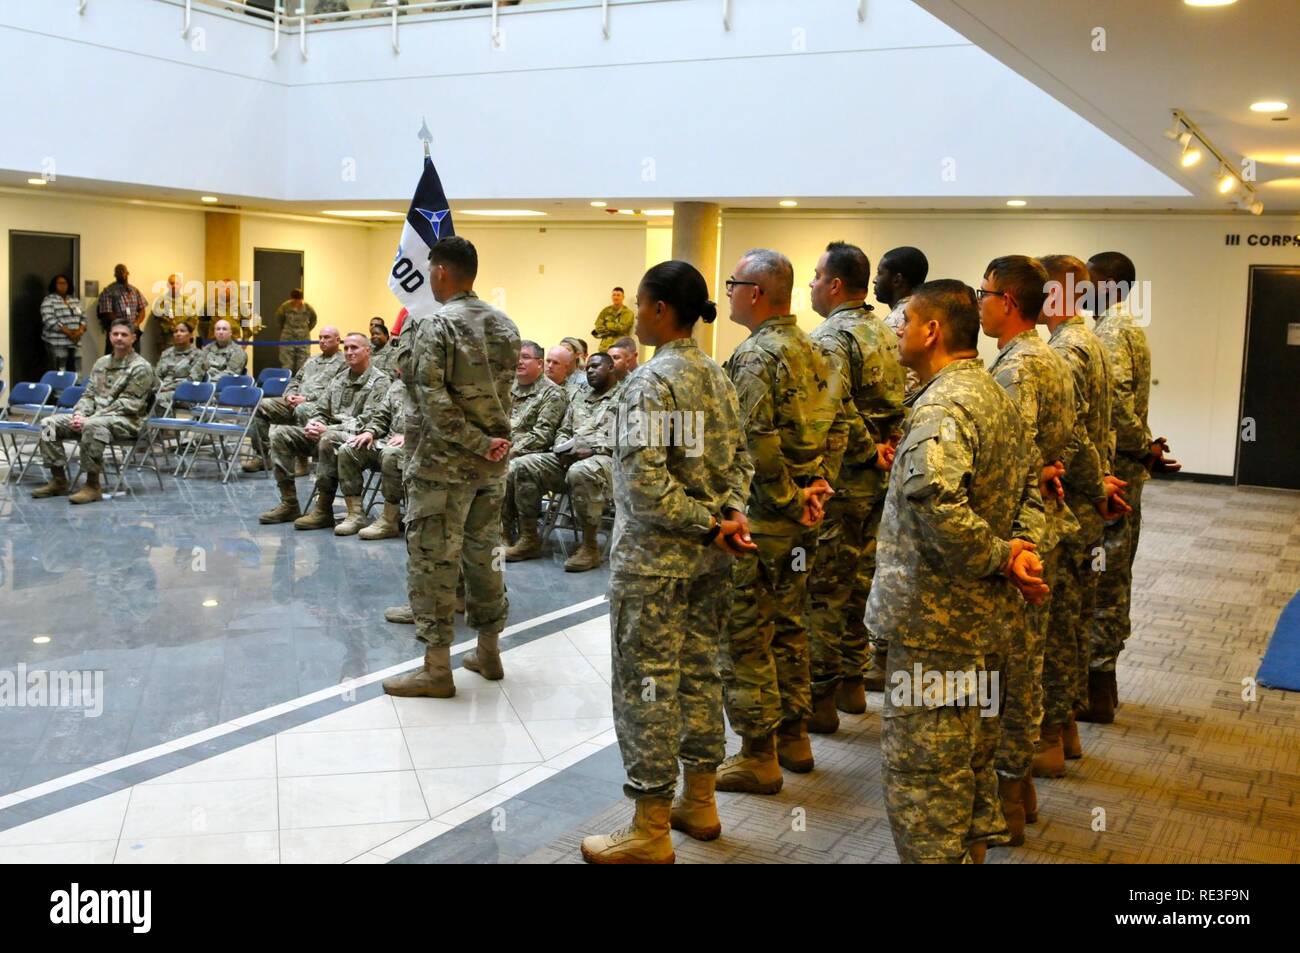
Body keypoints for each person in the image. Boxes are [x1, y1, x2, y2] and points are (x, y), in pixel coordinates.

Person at [865, 280, 1047, 864]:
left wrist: (1001, 555)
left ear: (931, 331)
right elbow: (1033, 499)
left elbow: (935, 504)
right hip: (986, 622)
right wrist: (1021, 553)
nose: (897, 333)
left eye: (904, 323)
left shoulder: (944, 406)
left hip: (933, 628)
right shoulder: (995, 395)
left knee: (924, 774)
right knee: (968, 758)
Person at [580, 260, 754, 865]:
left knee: (646, 687)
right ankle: (699, 802)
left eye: (641, 306)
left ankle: (650, 829)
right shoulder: (718, 378)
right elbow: (740, 464)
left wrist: (710, 523)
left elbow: (643, 485)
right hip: (710, 563)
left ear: (658, 310)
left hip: (655, 565)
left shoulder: (649, 383)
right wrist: (728, 517)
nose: (634, 317)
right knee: (701, 672)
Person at [715, 248, 845, 793]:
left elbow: (754, 443)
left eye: (733, 283)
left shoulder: (755, 358)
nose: (726, 292)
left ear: (757, 293)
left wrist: (790, 498)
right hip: (801, 521)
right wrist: (818, 488)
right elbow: (843, 425)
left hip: (764, 523)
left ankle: (757, 754)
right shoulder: (817, 351)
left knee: (746, 635)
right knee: (790, 628)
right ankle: (795, 738)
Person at [978, 255, 1087, 843]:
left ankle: (1007, 799)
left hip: (1021, 532)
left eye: (984, 292)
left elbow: (1013, 458)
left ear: (1009, 303)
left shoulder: (1019, 367)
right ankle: (1018, 794)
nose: (979, 302)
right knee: (1025, 663)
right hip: (1040, 521)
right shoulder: (1047, 355)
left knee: (1012, 670)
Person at [382, 236, 519, 699]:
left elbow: (432, 400)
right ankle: (488, 650)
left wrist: (476, 442)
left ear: (440, 272)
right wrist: (489, 445)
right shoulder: (505, 324)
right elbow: (503, 395)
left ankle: (436, 669)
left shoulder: (436, 326)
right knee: (485, 557)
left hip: (444, 468)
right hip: (491, 467)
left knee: (433, 563)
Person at [805, 242, 905, 731]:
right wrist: (884, 449)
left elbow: (837, 407)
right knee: (859, 581)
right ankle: (850, 683)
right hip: (876, 479)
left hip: (843, 479)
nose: (811, 284)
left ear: (836, 284)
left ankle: (820, 700)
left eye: (816, 276)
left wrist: (868, 449)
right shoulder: (883, 331)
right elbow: (896, 399)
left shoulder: (830, 337)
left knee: (825, 589)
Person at [1037, 254, 1129, 770]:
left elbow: (1068, 438)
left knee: (1056, 628)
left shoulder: (1066, 349)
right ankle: (1066, 729)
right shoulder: (1088, 339)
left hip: (1070, 508)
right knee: (1072, 622)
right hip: (1085, 506)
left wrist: (1093, 488)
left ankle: (1049, 736)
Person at [1085, 251, 1180, 721]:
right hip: (1126, 467)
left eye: (1089, 279)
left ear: (1108, 284)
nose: (1079, 286)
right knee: (1112, 571)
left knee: (1105, 575)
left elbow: (1118, 406)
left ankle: (1097, 683)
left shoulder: (1110, 332)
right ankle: (1103, 683)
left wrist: (1142, 447)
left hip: (1116, 473)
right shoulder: (1123, 327)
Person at [505, 352, 620, 572]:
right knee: (524, 465)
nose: (591, 371)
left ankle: (590, 547)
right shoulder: (579, 396)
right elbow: (564, 429)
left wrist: (593, 449)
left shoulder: (625, 397)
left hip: (606, 461)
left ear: (611, 368)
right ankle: (529, 538)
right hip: (569, 458)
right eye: (587, 369)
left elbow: (628, 437)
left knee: (581, 470)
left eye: (596, 367)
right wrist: (562, 449)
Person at [262, 332, 390, 530]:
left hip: (358, 441)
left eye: (354, 348)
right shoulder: (339, 379)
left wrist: (326, 429)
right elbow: (321, 409)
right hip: (326, 434)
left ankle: (323, 509)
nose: (348, 352)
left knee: (328, 439)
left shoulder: (380, 382)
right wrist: (314, 424)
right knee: (280, 434)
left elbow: (369, 422)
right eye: (346, 348)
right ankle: (289, 504)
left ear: (368, 350)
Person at [32, 319, 156, 505]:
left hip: (127, 421)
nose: (119, 338)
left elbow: (129, 404)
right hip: (94, 417)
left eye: (124, 334)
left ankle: (92, 486)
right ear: (109, 336)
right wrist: (79, 414)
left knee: (92, 426)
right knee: (48, 424)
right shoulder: (101, 363)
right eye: (115, 334)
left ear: (133, 338)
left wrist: (90, 419)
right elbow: (89, 395)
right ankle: (58, 479)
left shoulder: (140, 367)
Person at [243, 327, 344, 474]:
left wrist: (306, 398)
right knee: (261, 406)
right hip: (296, 400)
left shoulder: (343, 363)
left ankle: (302, 460)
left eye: (327, 337)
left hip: (320, 406)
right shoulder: (312, 360)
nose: (322, 341)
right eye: (320, 337)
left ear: (337, 340)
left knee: (302, 409)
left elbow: (334, 391)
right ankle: (263, 456)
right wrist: (290, 394)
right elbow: (295, 380)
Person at [337, 376, 407, 540]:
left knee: (391, 454)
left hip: (420, 445)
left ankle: (390, 520)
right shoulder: (397, 386)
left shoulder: (433, 386)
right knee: (348, 449)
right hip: (389, 440)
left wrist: (410, 436)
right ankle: (355, 515)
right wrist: (370, 432)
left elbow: (436, 422)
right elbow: (381, 416)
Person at [874, 246, 930, 398]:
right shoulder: (925, 313)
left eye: (880, 273)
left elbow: (902, 384)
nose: (875, 279)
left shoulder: (896, 323)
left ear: (897, 280)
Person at [153, 320, 207, 414]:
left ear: (190, 335)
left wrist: (168, 388)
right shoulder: (166, 353)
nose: (178, 334)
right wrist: (158, 386)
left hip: (185, 392)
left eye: (182, 331)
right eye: (176, 331)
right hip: (162, 389)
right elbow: (156, 375)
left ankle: (169, 428)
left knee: (158, 399)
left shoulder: (199, 355)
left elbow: (192, 380)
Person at [96, 264, 148, 355]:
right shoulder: (108, 291)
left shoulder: (134, 290)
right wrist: (123, 325)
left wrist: (136, 323)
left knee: (134, 359)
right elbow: (107, 313)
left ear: (128, 273)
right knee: (114, 360)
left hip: (133, 331)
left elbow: (142, 310)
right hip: (117, 332)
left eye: (122, 270)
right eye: (118, 271)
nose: (121, 273)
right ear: (115, 275)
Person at [41, 274, 86, 375]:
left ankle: (76, 390)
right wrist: (70, 333)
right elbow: (49, 320)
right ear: (54, 285)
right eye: (60, 283)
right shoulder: (49, 300)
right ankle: (59, 391)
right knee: (59, 372)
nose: (63, 286)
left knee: (77, 371)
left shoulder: (74, 300)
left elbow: (84, 318)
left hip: (75, 342)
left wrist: (80, 331)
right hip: (57, 343)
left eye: (65, 283)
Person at [274, 289, 318, 374]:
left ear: (302, 299)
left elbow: (314, 320)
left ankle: (300, 385)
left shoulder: (308, 308)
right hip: (287, 339)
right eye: (294, 301)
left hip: (303, 340)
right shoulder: (285, 307)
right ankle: (287, 384)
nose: (297, 303)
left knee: (303, 365)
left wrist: (305, 330)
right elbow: (279, 320)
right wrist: (287, 330)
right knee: (287, 365)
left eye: (299, 300)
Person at [592, 286, 635, 352]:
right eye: (614, 295)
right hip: (605, 348)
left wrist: (608, 325)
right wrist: (614, 328)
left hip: (620, 348)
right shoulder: (605, 311)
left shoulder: (628, 313)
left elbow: (623, 329)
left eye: (618, 295)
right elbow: (598, 327)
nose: (616, 297)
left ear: (623, 297)